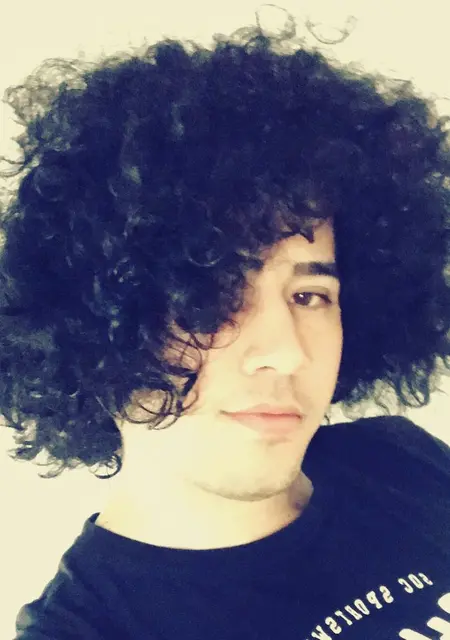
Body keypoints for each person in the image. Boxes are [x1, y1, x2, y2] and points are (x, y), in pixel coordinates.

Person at [1, 14, 449, 640]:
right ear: (97, 320)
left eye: (310, 295)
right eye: (209, 295)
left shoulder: (395, 458)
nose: (287, 352)